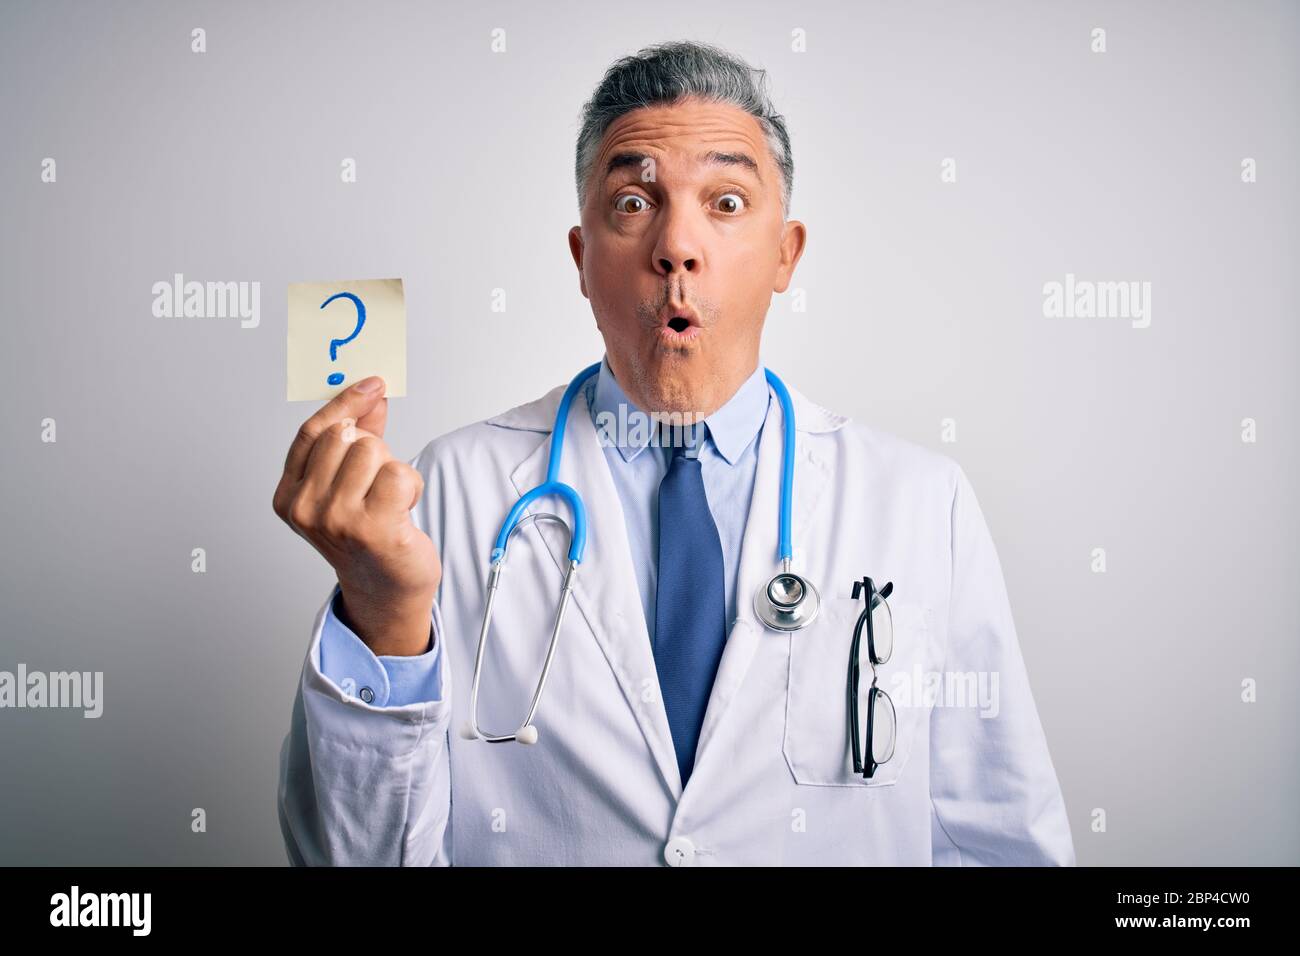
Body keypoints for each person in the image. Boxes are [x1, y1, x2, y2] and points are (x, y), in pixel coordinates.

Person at [273, 40, 1075, 866]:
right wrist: (382, 611)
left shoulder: (920, 503)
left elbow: (1000, 842)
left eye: (726, 202)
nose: (676, 247)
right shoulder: (450, 489)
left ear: (785, 256)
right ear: (584, 262)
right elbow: (353, 857)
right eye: (631, 203)